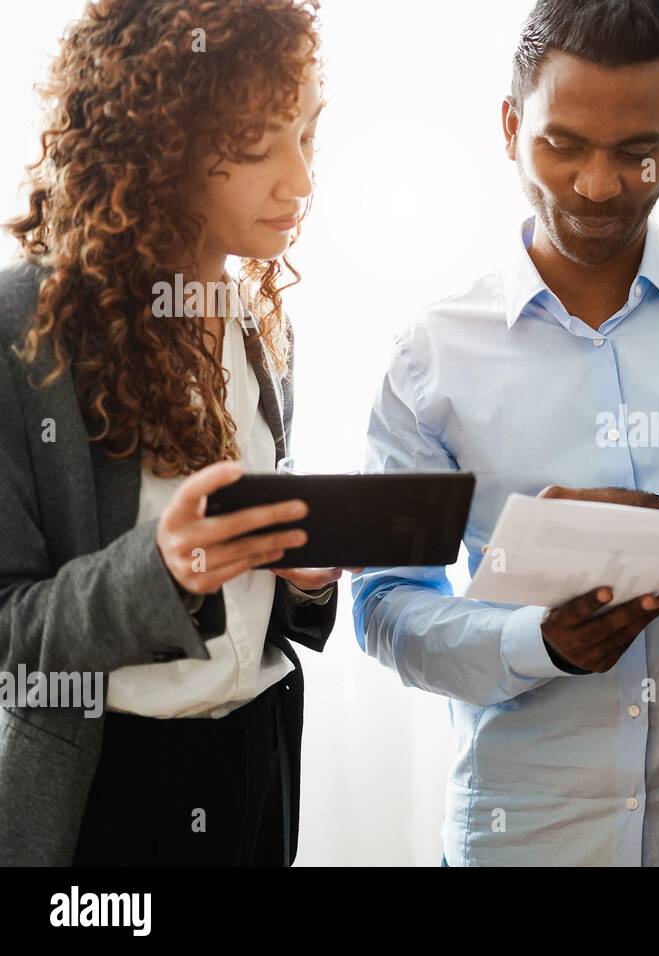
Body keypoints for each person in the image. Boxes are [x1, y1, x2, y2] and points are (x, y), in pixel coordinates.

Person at [353, 0, 659, 866]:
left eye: (635, 152)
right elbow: (387, 602)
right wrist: (531, 644)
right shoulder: (433, 354)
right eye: (562, 144)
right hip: (523, 832)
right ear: (509, 127)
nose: (599, 185)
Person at [0, 0, 340, 866]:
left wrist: (302, 575)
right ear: (160, 143)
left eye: (308, 133)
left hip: (255, 764)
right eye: (259, 144)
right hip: (111, 794)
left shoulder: (255, 318)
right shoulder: (22, 330)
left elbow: (253, 606)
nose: (299, 181)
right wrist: (159, 572)